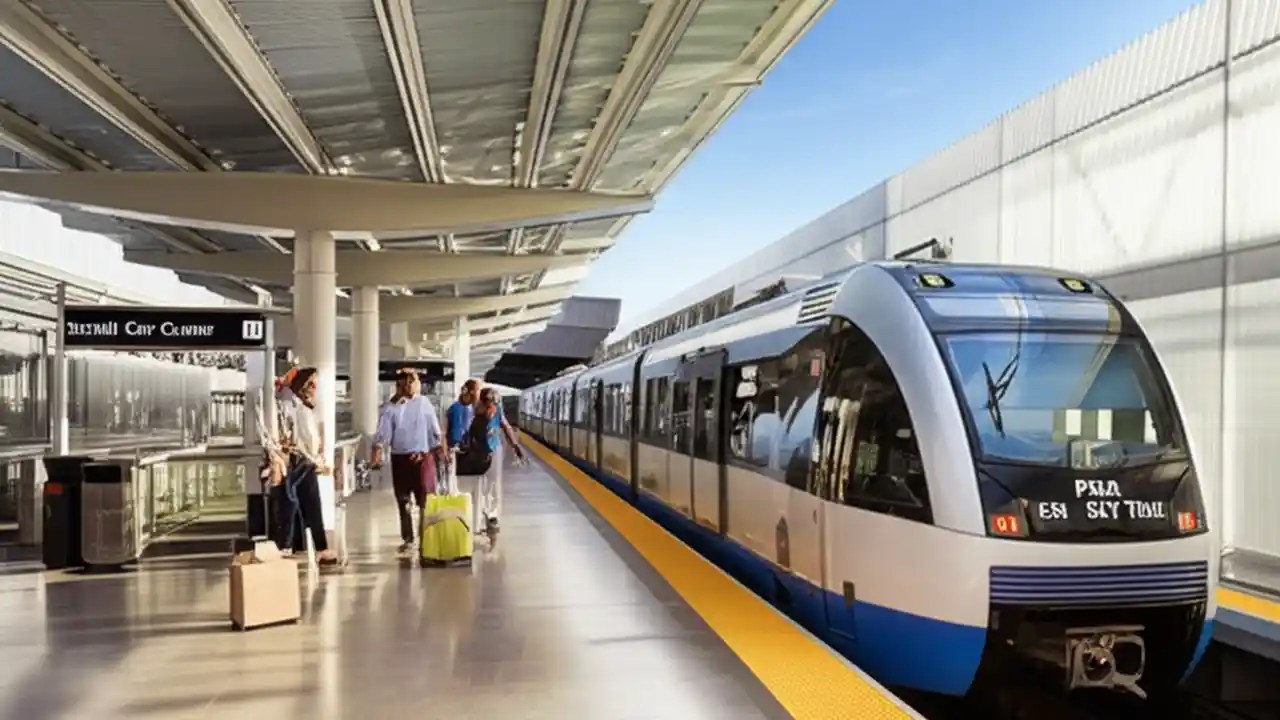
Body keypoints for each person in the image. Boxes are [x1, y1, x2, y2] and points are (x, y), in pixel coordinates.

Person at [372, 368, 447, 553]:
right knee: (403, 501)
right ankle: (408, 538)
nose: (410, 384)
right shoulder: (390, 408)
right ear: (399, 385)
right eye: (406, 381)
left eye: (413, 380)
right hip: (400, 458)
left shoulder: (424, 403)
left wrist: (440, 451)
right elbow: (383, 433)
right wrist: (378, 450)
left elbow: (434, 430)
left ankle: (425, 537)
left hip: (423, 458)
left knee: (425, 501)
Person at [277, 367, 339, 566]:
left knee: (312, 505)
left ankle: (320, 548)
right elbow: (291, 436)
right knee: (294, 503)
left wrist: (319, 459)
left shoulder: (306, 407)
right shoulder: (289, 405)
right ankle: (286, 546)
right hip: (297, 461)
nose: (314, 388)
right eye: (310, 384)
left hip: (307, 462)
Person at [469, 386, 526, 533]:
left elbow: (506, 427)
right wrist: (476, 451)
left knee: (494, 484)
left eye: (494, 405)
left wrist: (516, 446)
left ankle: (492, 516)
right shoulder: (476, 417)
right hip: (480, 454)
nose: (491, 408)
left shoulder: (497, 413)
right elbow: (471, 436)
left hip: (495, 451)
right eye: (489, 404)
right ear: (482, 403)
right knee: (481, 485)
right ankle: (482, 516)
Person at [444, 379, 479, 453]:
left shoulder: (474, 408)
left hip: (469, 449)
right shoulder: (454, 408)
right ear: (472, 392)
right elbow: (445, 430)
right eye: (477, 391)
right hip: (454, 449)